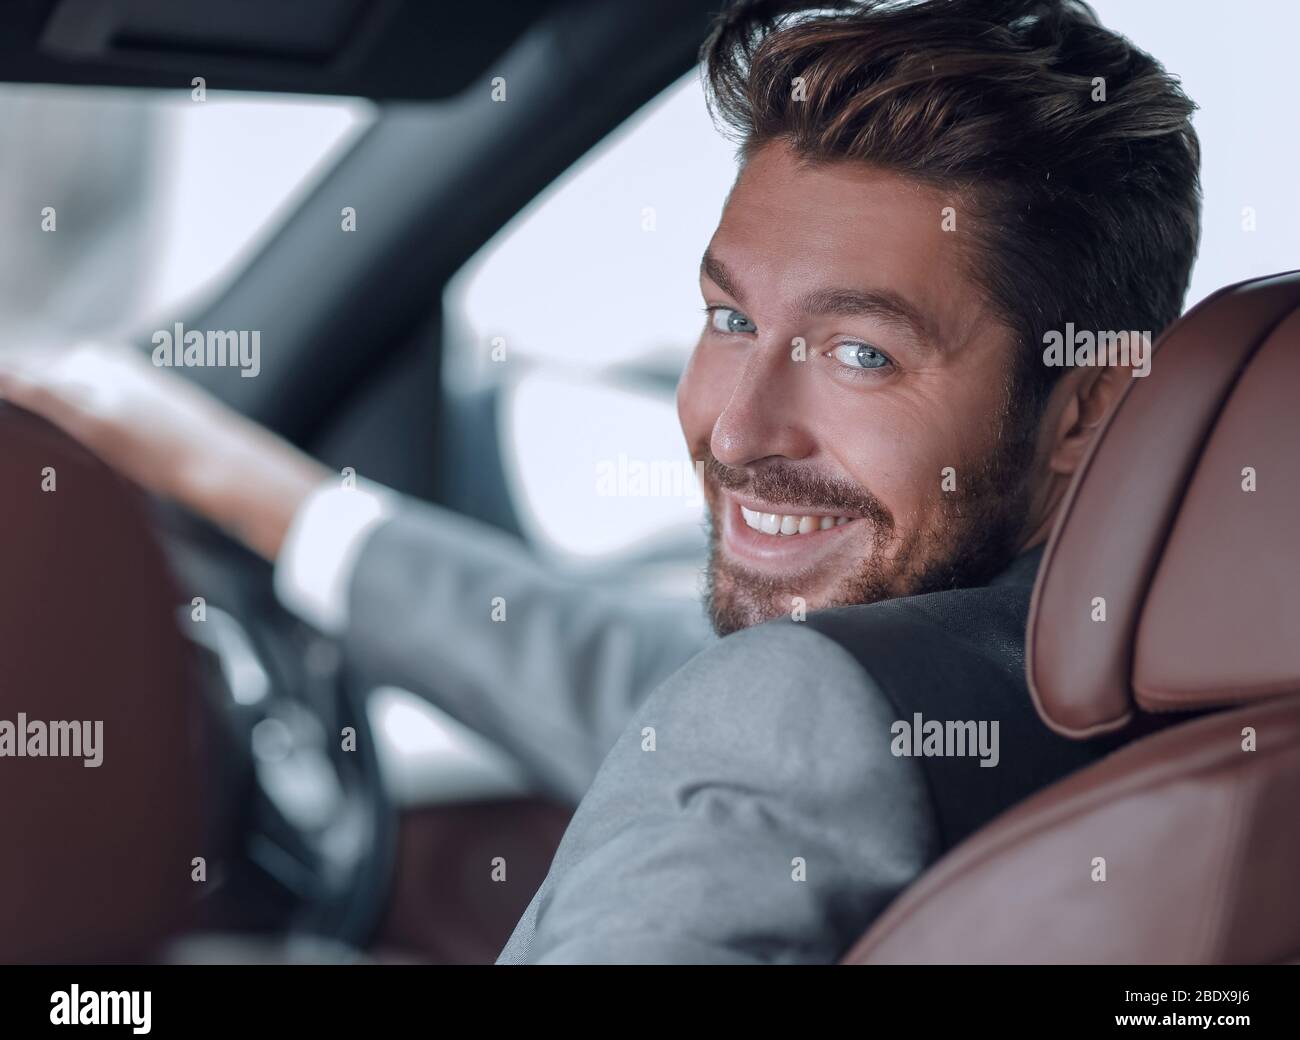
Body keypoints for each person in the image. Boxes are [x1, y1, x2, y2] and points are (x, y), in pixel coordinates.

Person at [0, 0, 1200, 963]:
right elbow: (690, 697)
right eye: (729, 316)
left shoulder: (806, 710)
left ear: (1082, 407)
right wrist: (242, 480)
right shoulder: (1136, 678)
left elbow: (770, 724)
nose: (736, 428)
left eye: (859, 353)